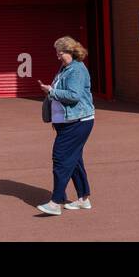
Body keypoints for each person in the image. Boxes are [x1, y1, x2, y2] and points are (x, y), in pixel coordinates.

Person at [36, 36, 95, 216]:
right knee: (74, 159)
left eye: (59, 52)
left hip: (77, 123)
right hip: (68, 122)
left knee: (61, 158)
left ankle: (56, 201)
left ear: (68, 51)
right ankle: (83, 199)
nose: (57, 56)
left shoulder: (76, 70)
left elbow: (74, 95)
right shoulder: (65, 68)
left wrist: (52, 91)